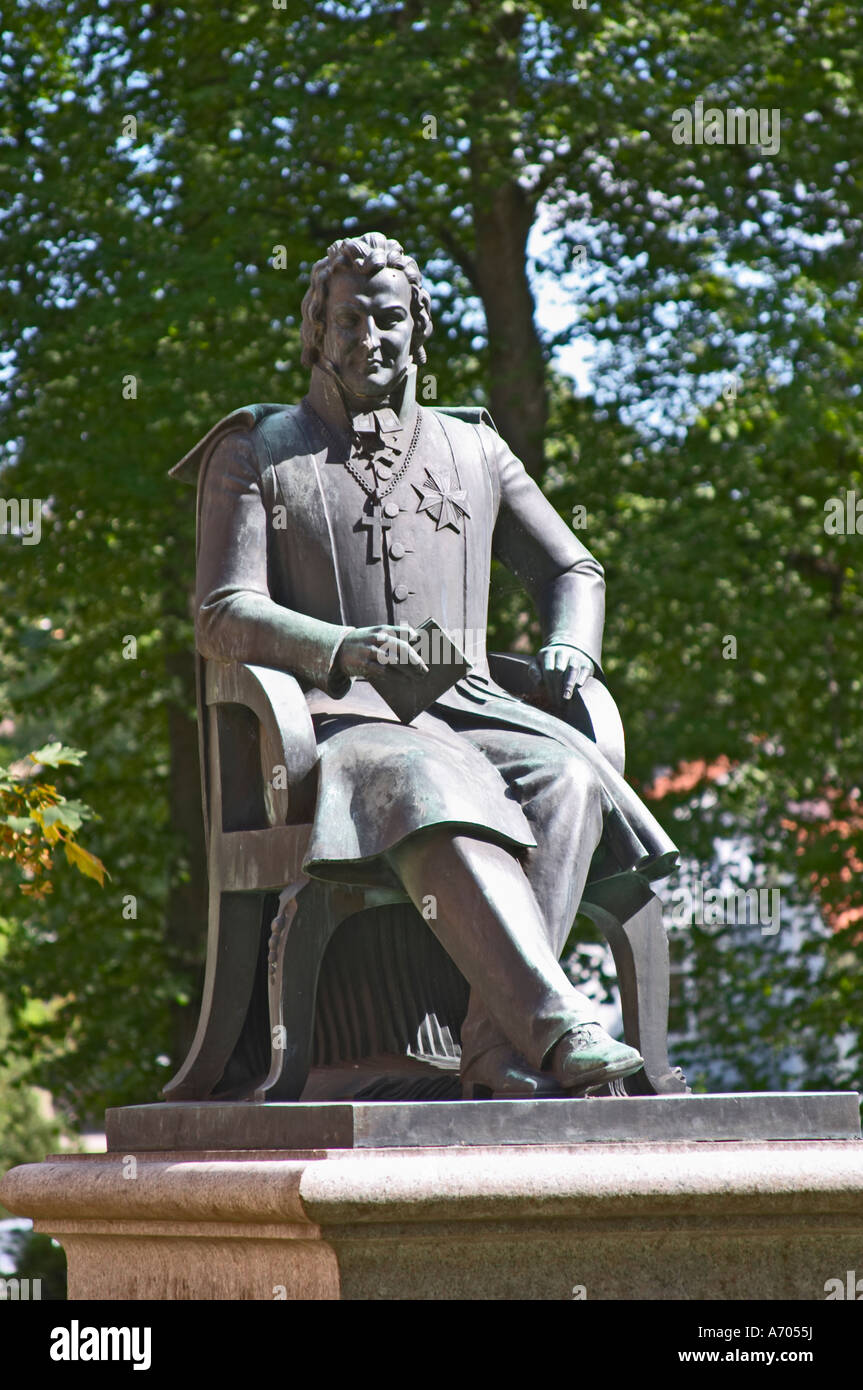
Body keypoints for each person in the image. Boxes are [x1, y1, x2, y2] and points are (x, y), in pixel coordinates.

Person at [176, 231, 678, 1097]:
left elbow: (573, 567)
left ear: (419, 329)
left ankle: (493, 1047)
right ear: (315, 333)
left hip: (477, 710)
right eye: (346, 321)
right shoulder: (256, 448)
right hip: (341, 722)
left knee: (567, 774)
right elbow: (223, 613)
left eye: (388, 318)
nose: (368, 338)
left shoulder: (474, 447)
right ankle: (555, 1027)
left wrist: (570, 646)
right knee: (418, 777)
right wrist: (339, 648)